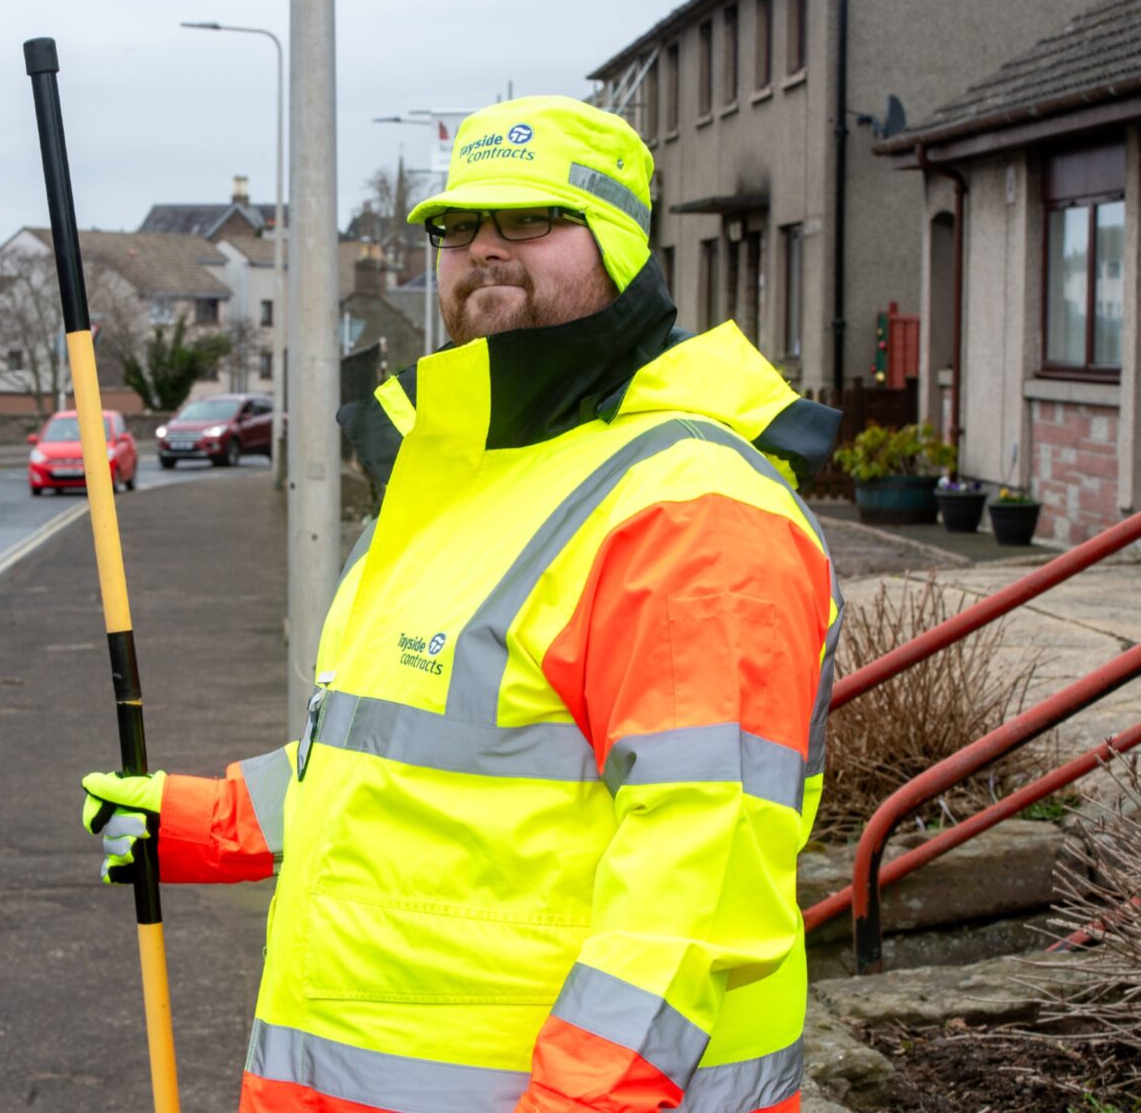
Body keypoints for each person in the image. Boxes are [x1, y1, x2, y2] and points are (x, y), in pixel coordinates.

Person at [81, 96, 841, 1113]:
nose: (483, 249)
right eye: (457, 225)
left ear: (618, 245)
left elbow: (700, 871)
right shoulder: (464, 479)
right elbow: (412, 762)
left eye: (528, 220)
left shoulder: (688, 509)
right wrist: (212, 822)